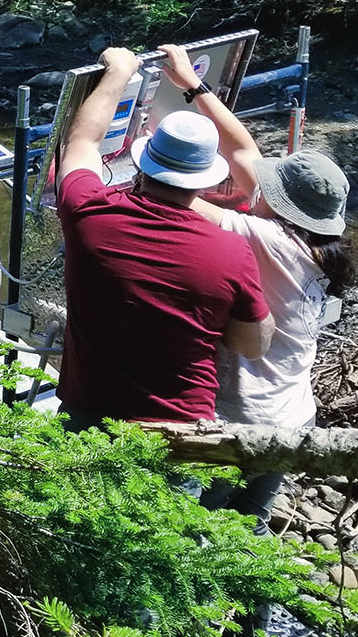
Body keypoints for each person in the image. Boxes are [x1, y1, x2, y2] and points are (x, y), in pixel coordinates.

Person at [156, 43, 356, 525]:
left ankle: (194, 600)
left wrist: (127, 166)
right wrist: (194, 85)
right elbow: (243, 149)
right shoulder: (316, 250)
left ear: (278, 201)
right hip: (292, 416)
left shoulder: (263, 237)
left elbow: (176, 197)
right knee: (250, 529)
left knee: (196, 528)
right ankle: (259, 603)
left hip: (240, 419)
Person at [55, 47, 273, 430]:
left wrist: (119, 72)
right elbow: (252, 345)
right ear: (206, 180)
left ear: (143, 164)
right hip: (179, 432)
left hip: (87, 416)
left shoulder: (89, 214)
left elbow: (82, 144)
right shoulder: (232, 250)